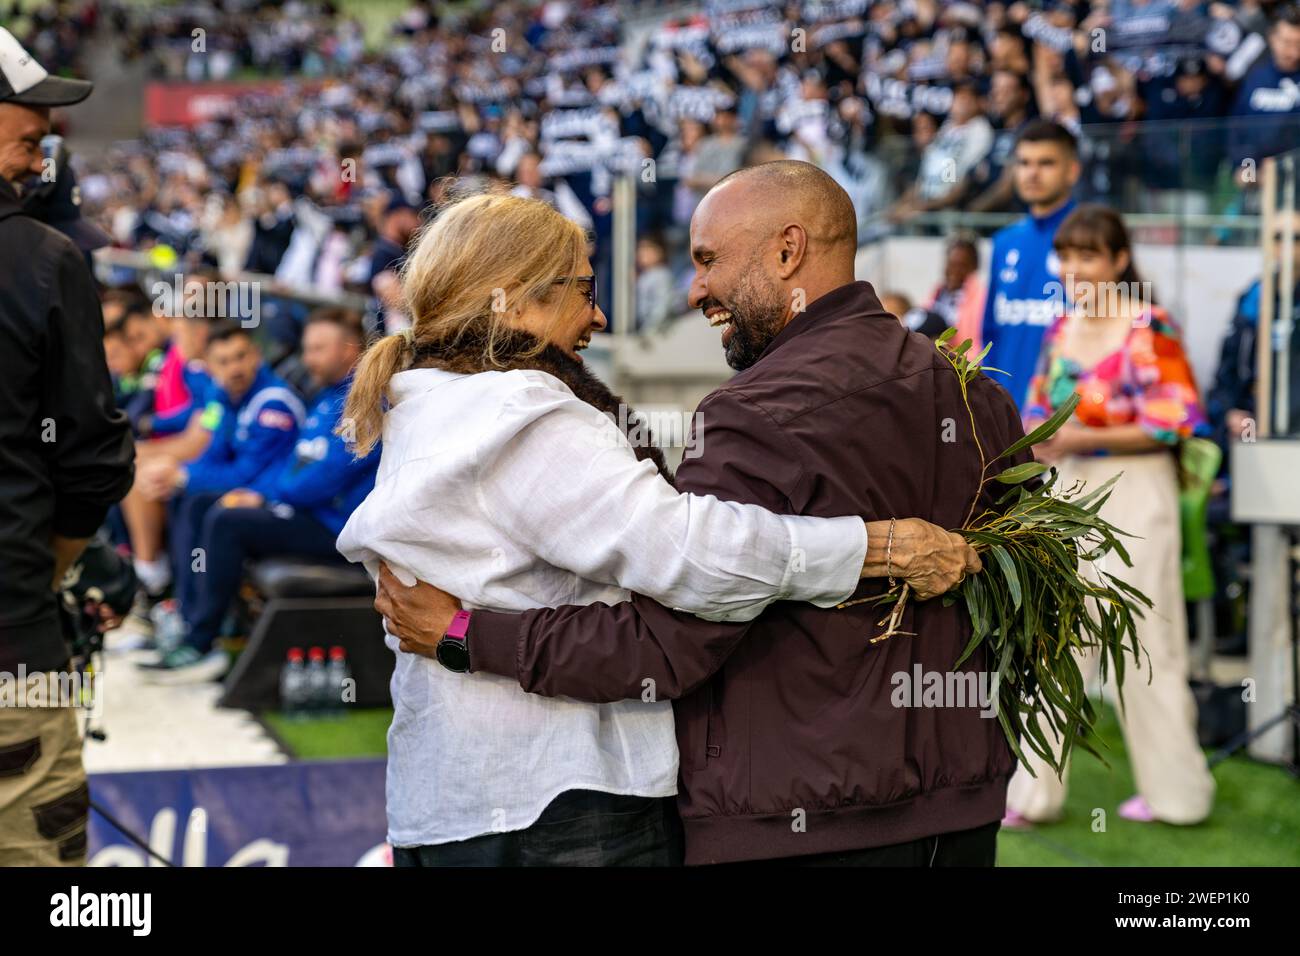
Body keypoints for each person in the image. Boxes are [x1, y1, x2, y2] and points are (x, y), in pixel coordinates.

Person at [371, 162, 1033, 867]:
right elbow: (1023, 582)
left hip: (788, 819)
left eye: (708, 260)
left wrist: (466, 636)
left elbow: (665, 643)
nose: (694, 291)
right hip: (963, 809)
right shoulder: (972, 394)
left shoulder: (754, 416)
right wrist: (878, 550)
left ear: (788, 251)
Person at [1005, 204, 1216, 827]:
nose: (1075, 268)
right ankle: (1030, 797)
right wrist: (1041, 442)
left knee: (1147, 644)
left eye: (1089, 255)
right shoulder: (1060, 329)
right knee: (1055, 642)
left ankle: (1178, 796)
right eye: (1067, 256)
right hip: (1068, 495)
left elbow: (1176, 420)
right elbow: (1036, 411)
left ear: (1119, 260)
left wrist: (1079, 439)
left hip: (1139, 495)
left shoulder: (1150, 326)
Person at [0, 26, 134, 866]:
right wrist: (39, 574)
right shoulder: (42, 260)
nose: (45, 138)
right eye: (29, 119)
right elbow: (93, 463)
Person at [141, 309, 378, 683]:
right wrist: (258, 493)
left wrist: (265, 497)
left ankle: (204, 642)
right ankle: (187, 620)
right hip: (306, 513)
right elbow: (289, 469)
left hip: (338, 530)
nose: (308, 358)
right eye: (308, 348)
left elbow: (319, 481)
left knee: (226, 519)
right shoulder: (325, 398)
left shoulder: (363, 402)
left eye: (319, 349)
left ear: (351, 349)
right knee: (201, 501)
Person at [134, 322, 304, 657]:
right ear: (211, 367)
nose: (234, 368)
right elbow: (212, 457)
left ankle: (202, 636)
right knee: (183, 496)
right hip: (251, 493)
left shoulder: (273, 404)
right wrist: (178, 474)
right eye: (224, 361)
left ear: (256, 356)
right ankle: (185, 613)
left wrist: (183, 477)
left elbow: (246, 474)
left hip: (279, 503)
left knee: (204, 506)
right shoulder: (224, 397)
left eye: (241, 357)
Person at [981, 119, 1081, 408]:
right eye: (1024, 163)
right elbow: (991, 333)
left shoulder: (1093, 238)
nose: (1032, 173)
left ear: (1072, 171)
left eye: (1046, 163)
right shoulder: (1004, 241)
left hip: (1069, 422)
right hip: (1008, 416)